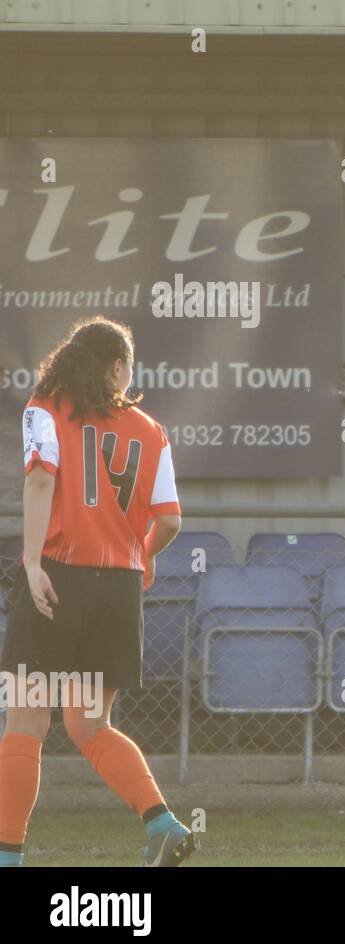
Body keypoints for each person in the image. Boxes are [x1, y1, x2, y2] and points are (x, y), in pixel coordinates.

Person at [0, 316, 197, 866]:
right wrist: (142, 556)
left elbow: (41, 479)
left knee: (26, 722)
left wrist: (33, 562)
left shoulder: (45, 406)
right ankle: (163, 824)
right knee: (90, 723)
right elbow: (171, 521)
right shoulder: (150, 429)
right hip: (117, 588)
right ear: (116, 367)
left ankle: (8, 858)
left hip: (57, 581)